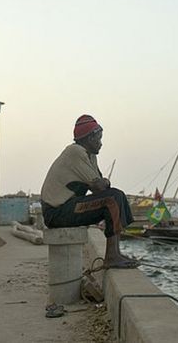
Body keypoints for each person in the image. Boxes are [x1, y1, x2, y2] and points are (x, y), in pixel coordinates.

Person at [40, 115, 136, 269]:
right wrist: (103, 182)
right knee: (113, 197)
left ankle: (116, 253)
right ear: (90, 138)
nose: (101, 143)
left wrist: (103, 183)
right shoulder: (75, 151)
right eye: (98, 138)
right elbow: (99, 187)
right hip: (56, 213)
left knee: (118, 196)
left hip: (67, 207)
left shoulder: (90, 156)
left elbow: (99, 186)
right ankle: (111, 256)